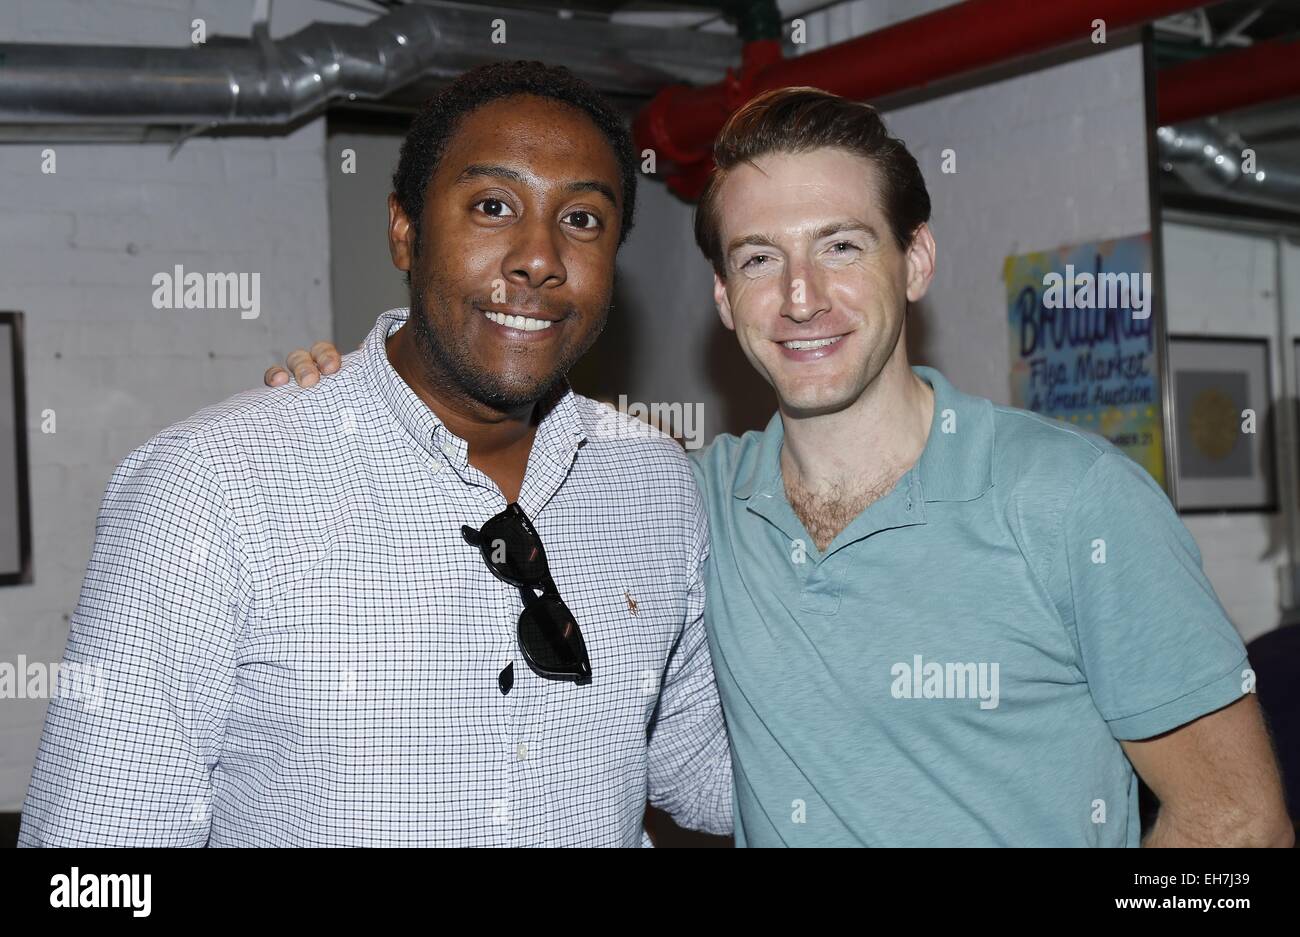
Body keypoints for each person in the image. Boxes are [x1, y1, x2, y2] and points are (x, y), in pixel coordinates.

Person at [275, 86, 1295, 847]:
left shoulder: (1071, 498)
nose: (801, 296)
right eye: (761, 258)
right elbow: (482, 435)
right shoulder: (685, 496)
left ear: (916, 261)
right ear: (724, 297)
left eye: (842, 247)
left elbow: (1236, 821)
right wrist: (352, 385)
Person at [20, 62, 731, 847]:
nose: (539, 258)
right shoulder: (213, 484)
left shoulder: (657, 483)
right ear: (404, 229)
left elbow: (702, 770)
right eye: (493, 206)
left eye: (584, 220)